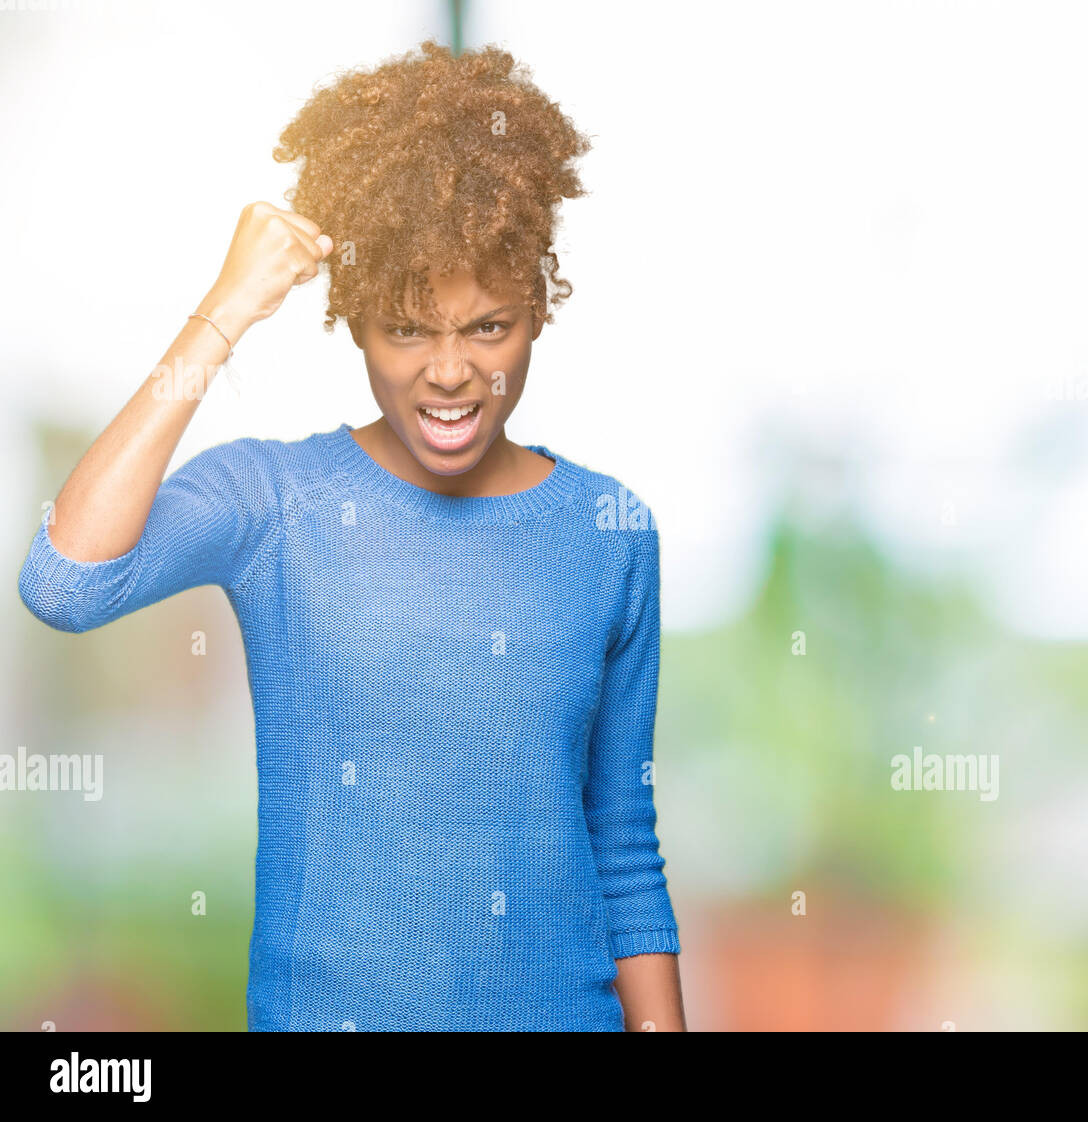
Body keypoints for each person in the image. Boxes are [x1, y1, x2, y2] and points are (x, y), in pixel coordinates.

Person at [17, 39, 686, 1032]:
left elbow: (622, 842)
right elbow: (67, 582)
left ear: (540, 311)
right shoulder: (273, 501)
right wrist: (227, 308)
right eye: (408, 329)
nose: (450, 372)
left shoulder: (608, 532)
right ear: (354, 319)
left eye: (488, 329)